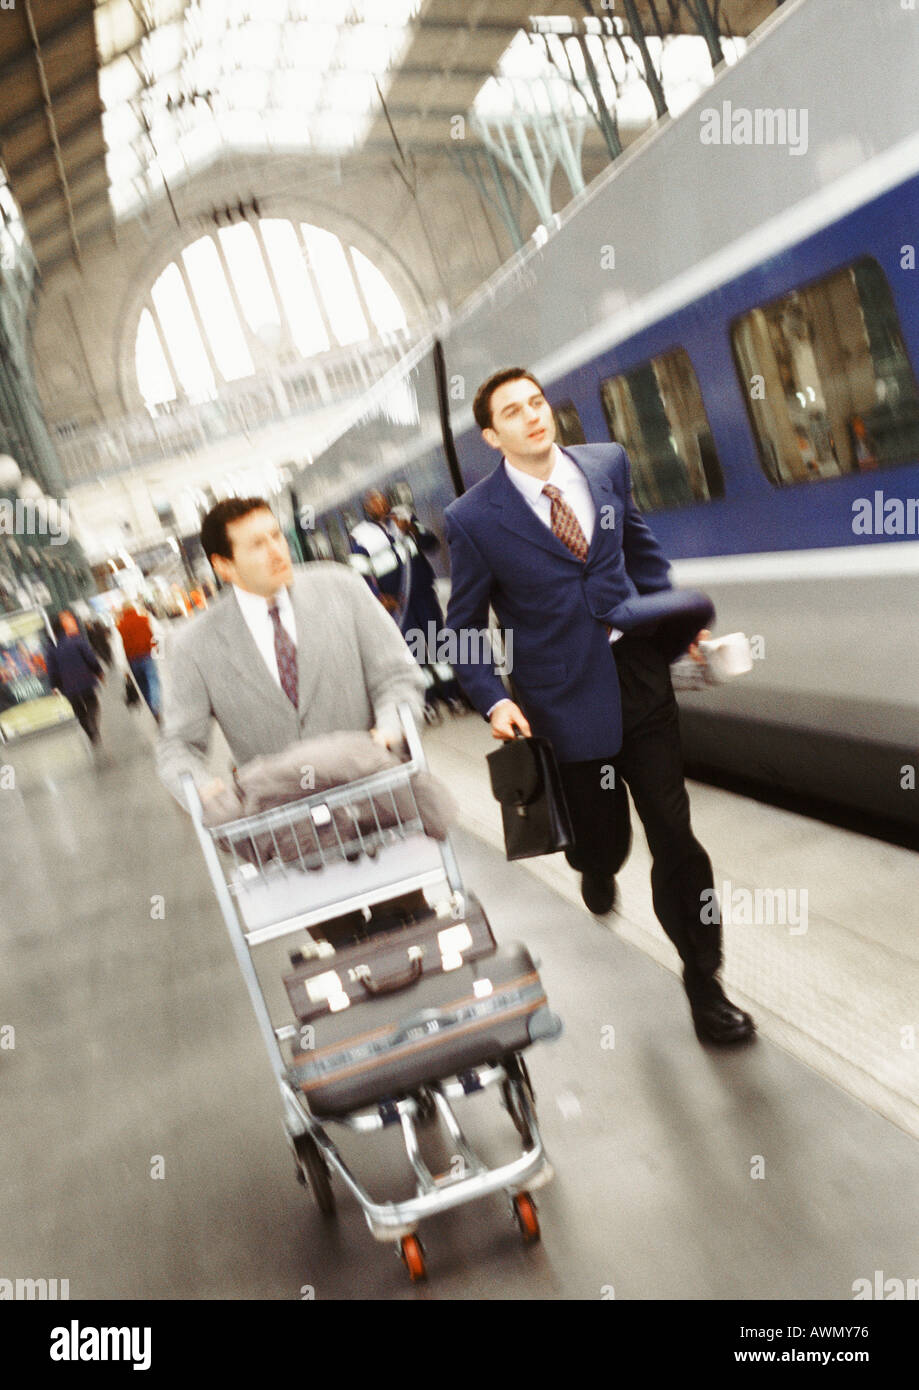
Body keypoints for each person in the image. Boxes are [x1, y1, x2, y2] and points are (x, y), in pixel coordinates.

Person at [443, 368, 755, 1046]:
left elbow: (642, 557)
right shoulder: (472, 520)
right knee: (600, 837)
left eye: (536, 402)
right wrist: (492, 699)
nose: (532, 416)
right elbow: (461, 624)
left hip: (637, 677)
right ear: (493, 436)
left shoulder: (606, 465)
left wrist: (676, 619)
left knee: (675, 836)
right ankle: (593, 865)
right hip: (558, 704)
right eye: (512, 412)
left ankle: (704, 982)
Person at [156, 496, 426, 810]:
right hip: (285, 836)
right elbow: (178, 745)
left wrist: (392, 726)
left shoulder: (342, 588)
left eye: (276, 536)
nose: (276, 551)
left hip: (381, 804)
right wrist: (202, 789)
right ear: (223, 566)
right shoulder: (193, 645)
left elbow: (397, 676)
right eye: (257, 544)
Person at [45, 611, 105, 744]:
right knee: (93, 703)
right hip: (85, 681)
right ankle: (92, 723)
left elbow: (52, 670)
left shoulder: (51, 650)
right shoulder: (77, 641)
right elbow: (90, 658)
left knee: (78, 711)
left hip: (67, 687)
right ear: (63, 629)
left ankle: (91, 735)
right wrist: (99, 671)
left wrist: (54, 686)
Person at [116, 601, 161, 722]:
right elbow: (157, 634)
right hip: (147, 656)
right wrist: (156, 651)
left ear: (123, 612)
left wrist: (123, 669)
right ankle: (156, 706)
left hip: (132, 661)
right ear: (134, 609)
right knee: (153, 681)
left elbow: (119, 649)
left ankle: (152, 709)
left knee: (142, 686)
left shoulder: (119, 627)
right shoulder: (145, 619)